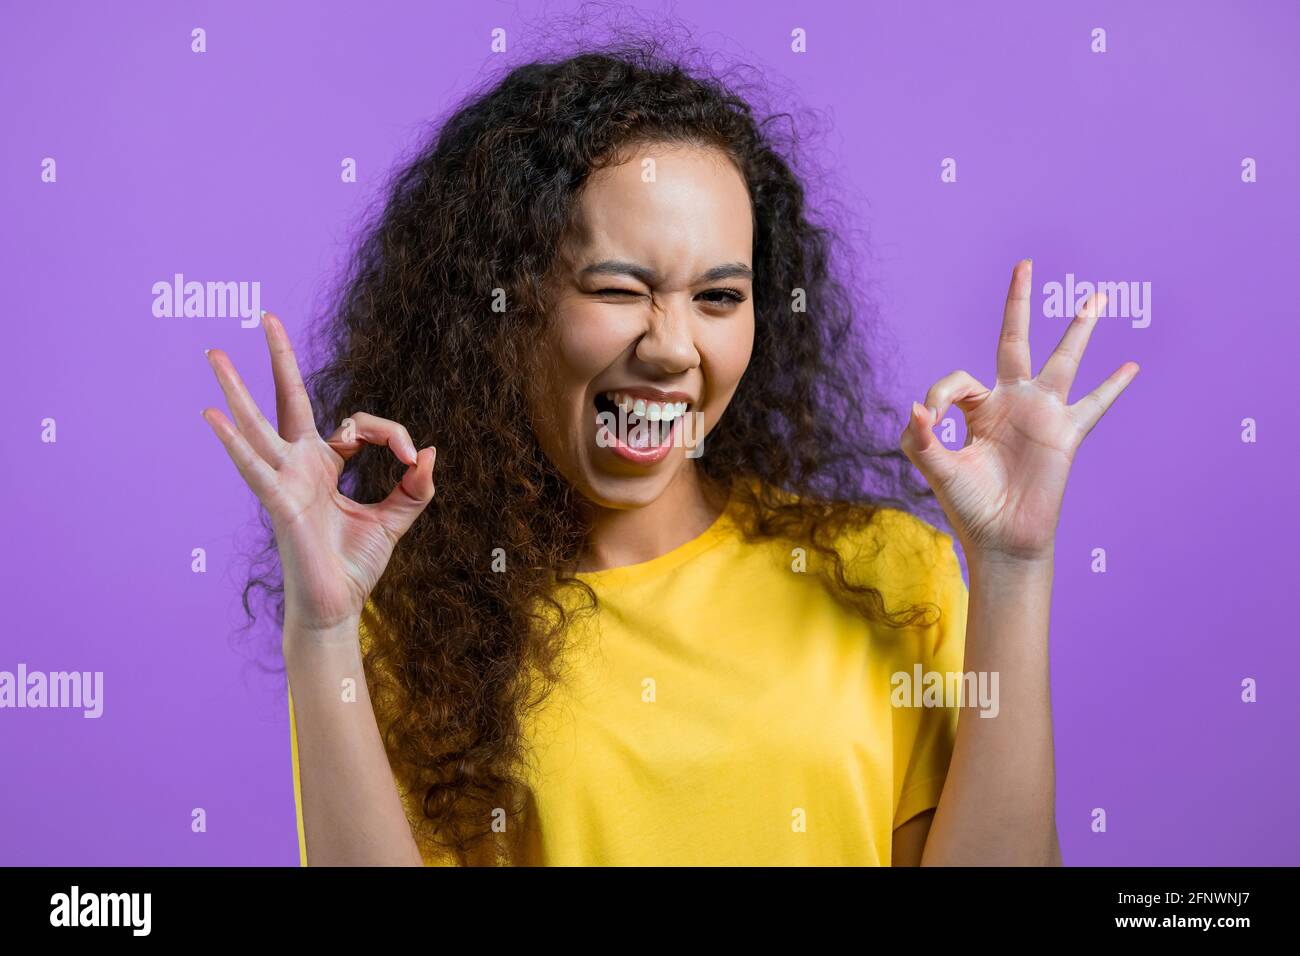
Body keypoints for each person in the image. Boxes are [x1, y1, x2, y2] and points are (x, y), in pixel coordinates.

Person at [201, 44, 1137, 866]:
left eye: (720, 297)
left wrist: (1014, 569)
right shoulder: (418, 634)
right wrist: (323, 634)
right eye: (619, 287)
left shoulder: (891, 577)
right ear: (504, 309)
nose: (673, 346)